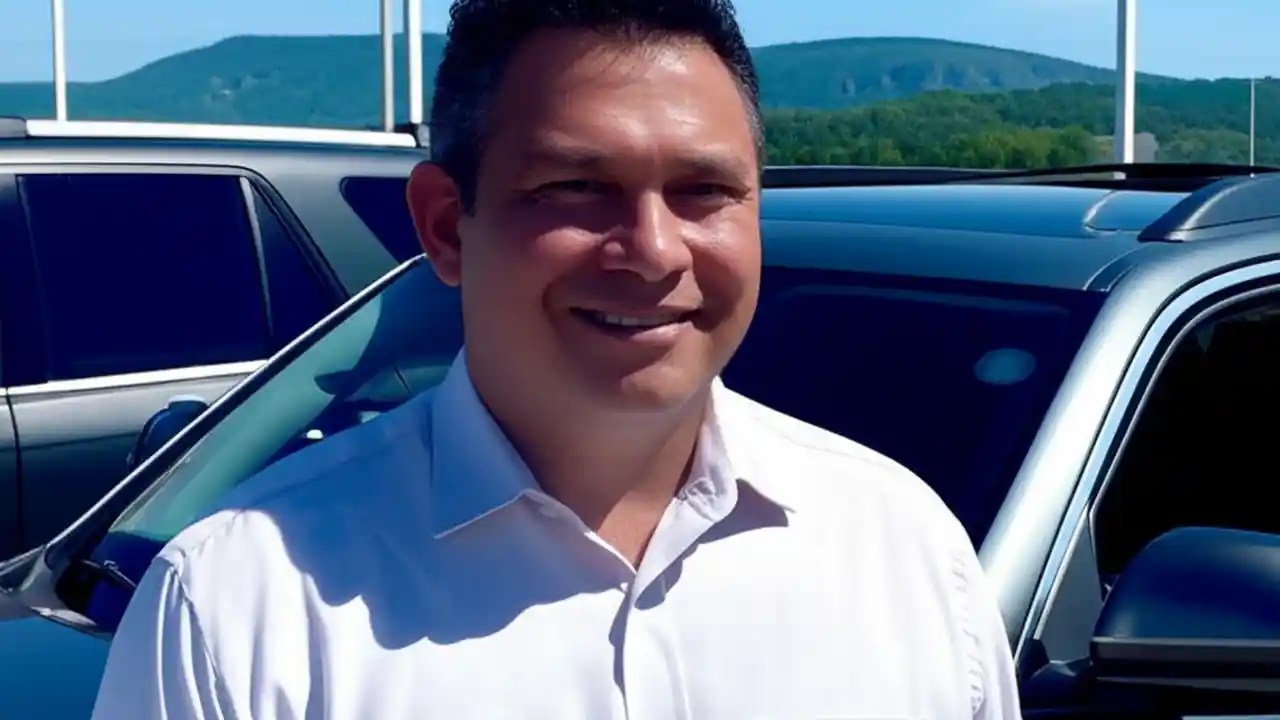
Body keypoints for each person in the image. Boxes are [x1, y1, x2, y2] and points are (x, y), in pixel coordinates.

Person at [91, 1, 1022, 717]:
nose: (653, 251)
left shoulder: (903, 553)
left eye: (704, 190)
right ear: (445, 226)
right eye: (577, 188)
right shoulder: (240, 604)